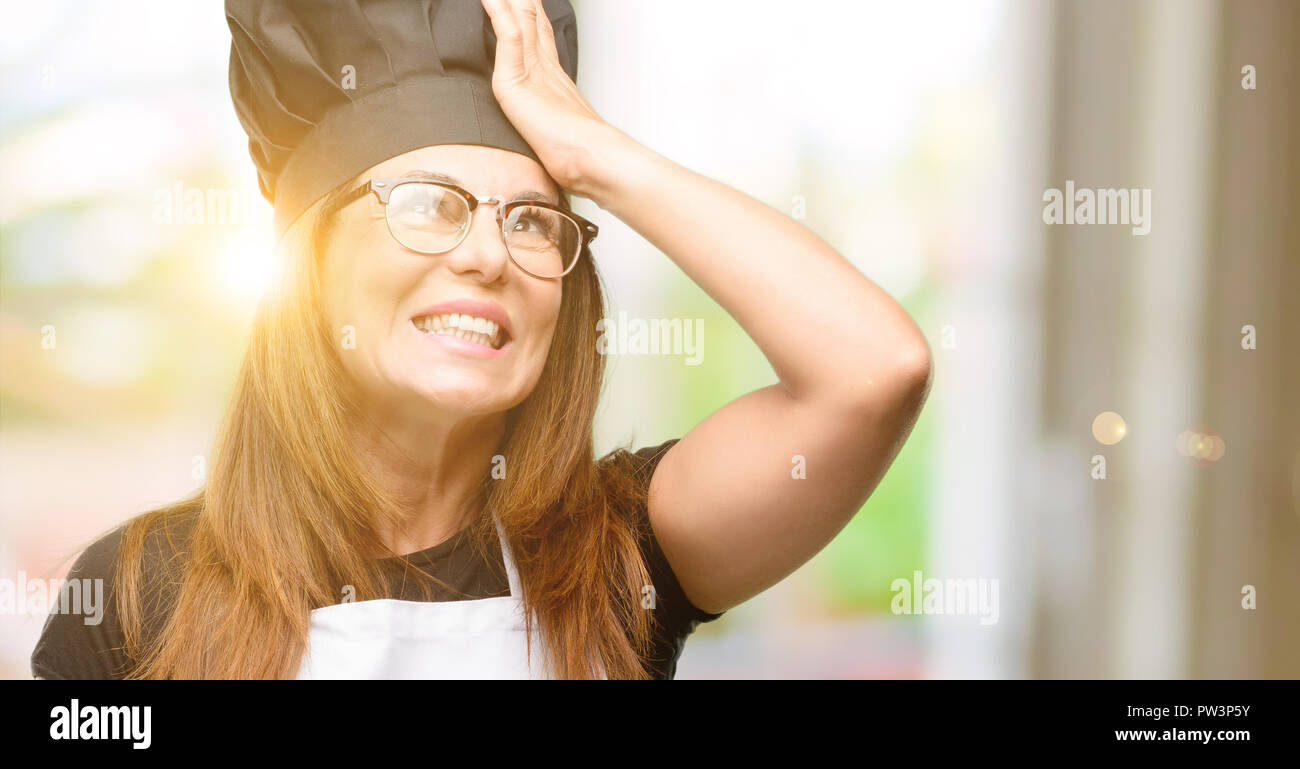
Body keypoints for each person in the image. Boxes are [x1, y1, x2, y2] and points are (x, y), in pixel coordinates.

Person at [31, 0, 932, 679]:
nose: (488, 255)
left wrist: (594, 156)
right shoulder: (138, 594)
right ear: (309, 267)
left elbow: (873, 369)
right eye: (428, 204)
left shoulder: (620, 558)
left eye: (536, 220)